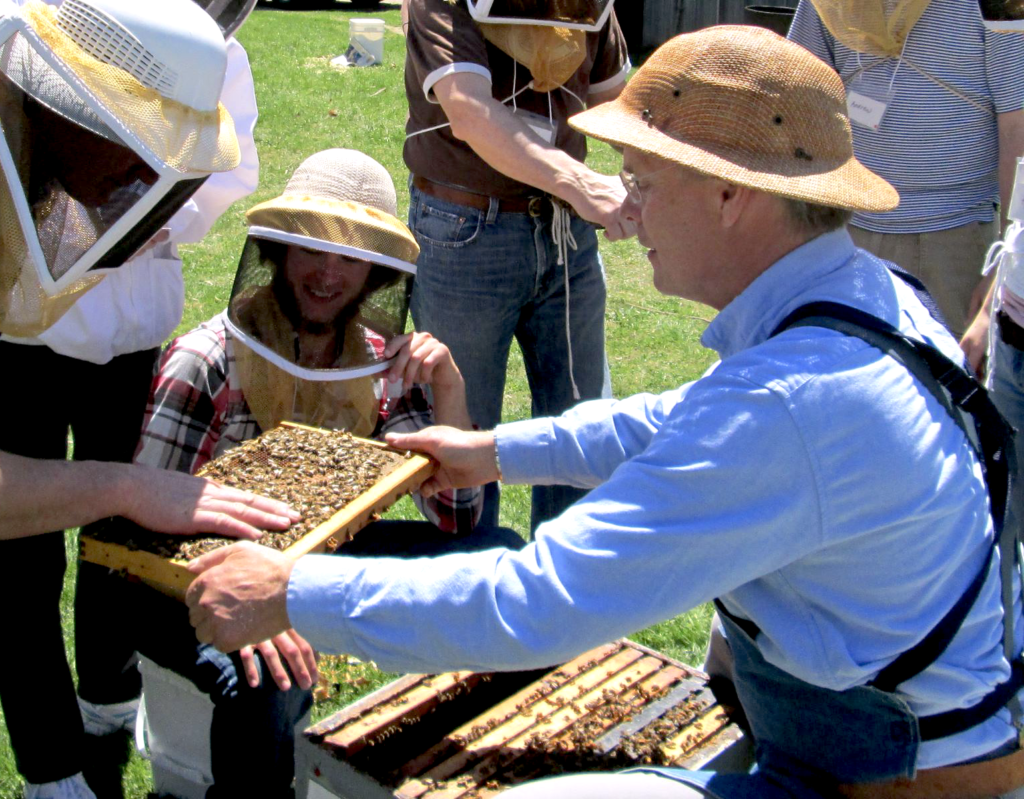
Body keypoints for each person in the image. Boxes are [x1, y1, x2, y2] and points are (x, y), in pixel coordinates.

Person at [186, 25, 1024, 798]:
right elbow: (672, 421)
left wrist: (294, 590)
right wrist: (494, 450)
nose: (630, 208)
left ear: (731, 196)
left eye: (648, 182)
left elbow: (535, 603)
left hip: (879, 781)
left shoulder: (791, 403)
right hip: (888, 739)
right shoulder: (868, 300)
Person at [105, 148, 524, 798]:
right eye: (311, 250)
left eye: (350, 256)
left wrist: (449, 389)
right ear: (277, 253)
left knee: (498, 557)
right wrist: (259, 602)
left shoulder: (377, 360)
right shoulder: (207, 362)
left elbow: (460, 519)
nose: (328, 274)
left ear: (375, 271)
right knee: (262, 670)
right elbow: (133, 541)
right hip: (177, 585)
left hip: (312, 558)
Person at [0, 0, 258, 795]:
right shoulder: (37, 39)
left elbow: (225, 164)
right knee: (21, 562)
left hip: (129, 330)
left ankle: (107, 700)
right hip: (22, 346)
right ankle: (51, 761)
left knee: (123, 533)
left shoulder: (198, 53)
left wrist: (145, 212)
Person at [403, 0, 632, 531]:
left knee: (580, 419)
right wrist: (583, 185)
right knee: (463, 425)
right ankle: (471, 587)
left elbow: (623, 104)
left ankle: (567, 591)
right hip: (467, 227)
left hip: (564, 231)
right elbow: (469, 111)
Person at [788, 0, 1024, 338]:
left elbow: (1019, 127)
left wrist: (1006, 263)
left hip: (953, 238)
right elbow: (800, 97)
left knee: (948, 381)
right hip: (843, 231)